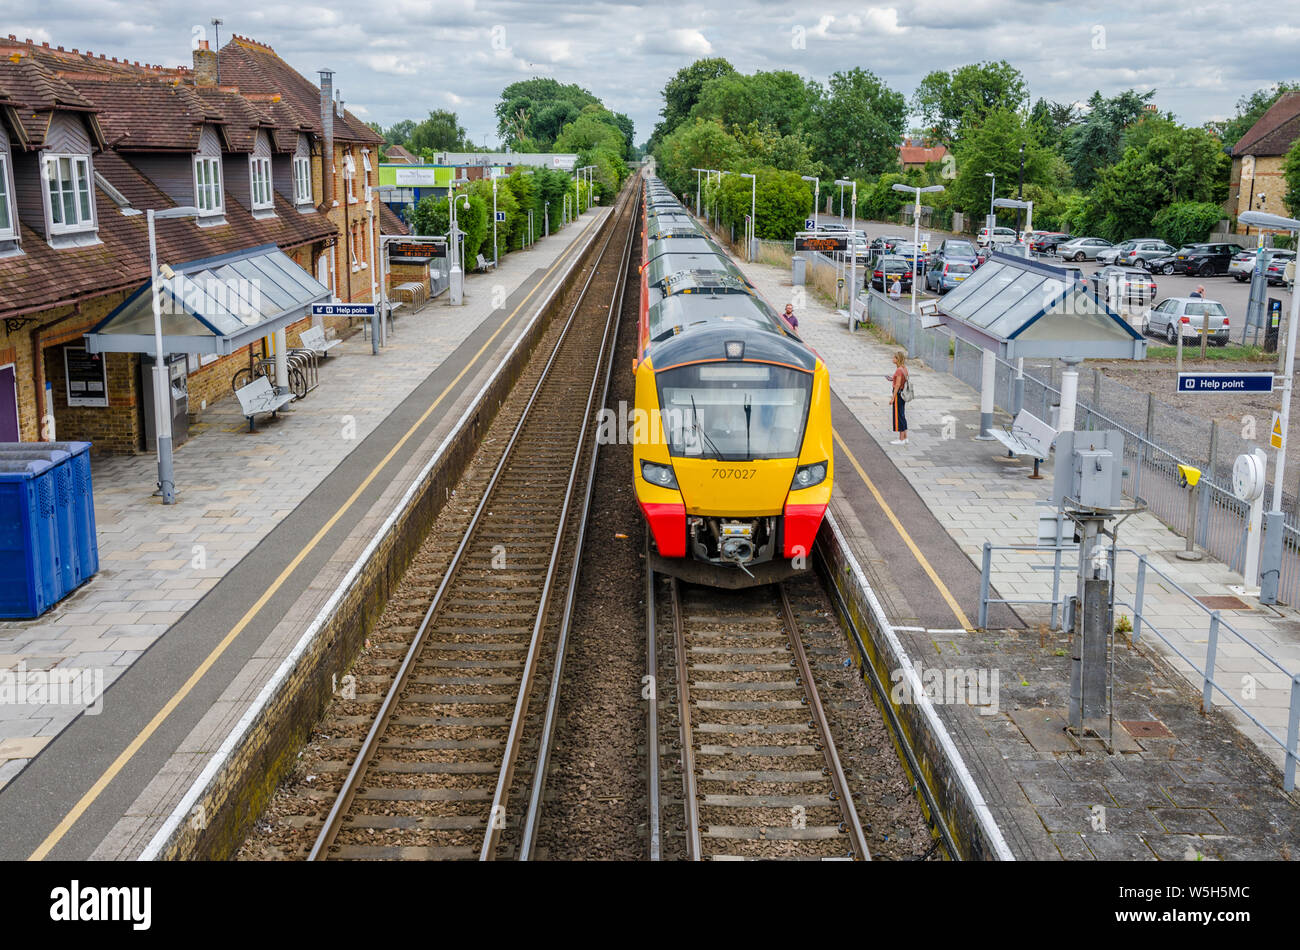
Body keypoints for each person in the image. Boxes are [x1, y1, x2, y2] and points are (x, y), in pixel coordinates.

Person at [886, 351, 909, 445]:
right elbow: (901, 380)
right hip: (903, 394)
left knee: (898, 416)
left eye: (894, 357)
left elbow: (898, 385)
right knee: (902, 414)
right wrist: (893, 379)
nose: (892, 359)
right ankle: (905, 437)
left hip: (898, 395)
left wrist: (892, 398)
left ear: (897, 359)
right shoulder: (904, 369)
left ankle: (901, 439)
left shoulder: (899, 370)